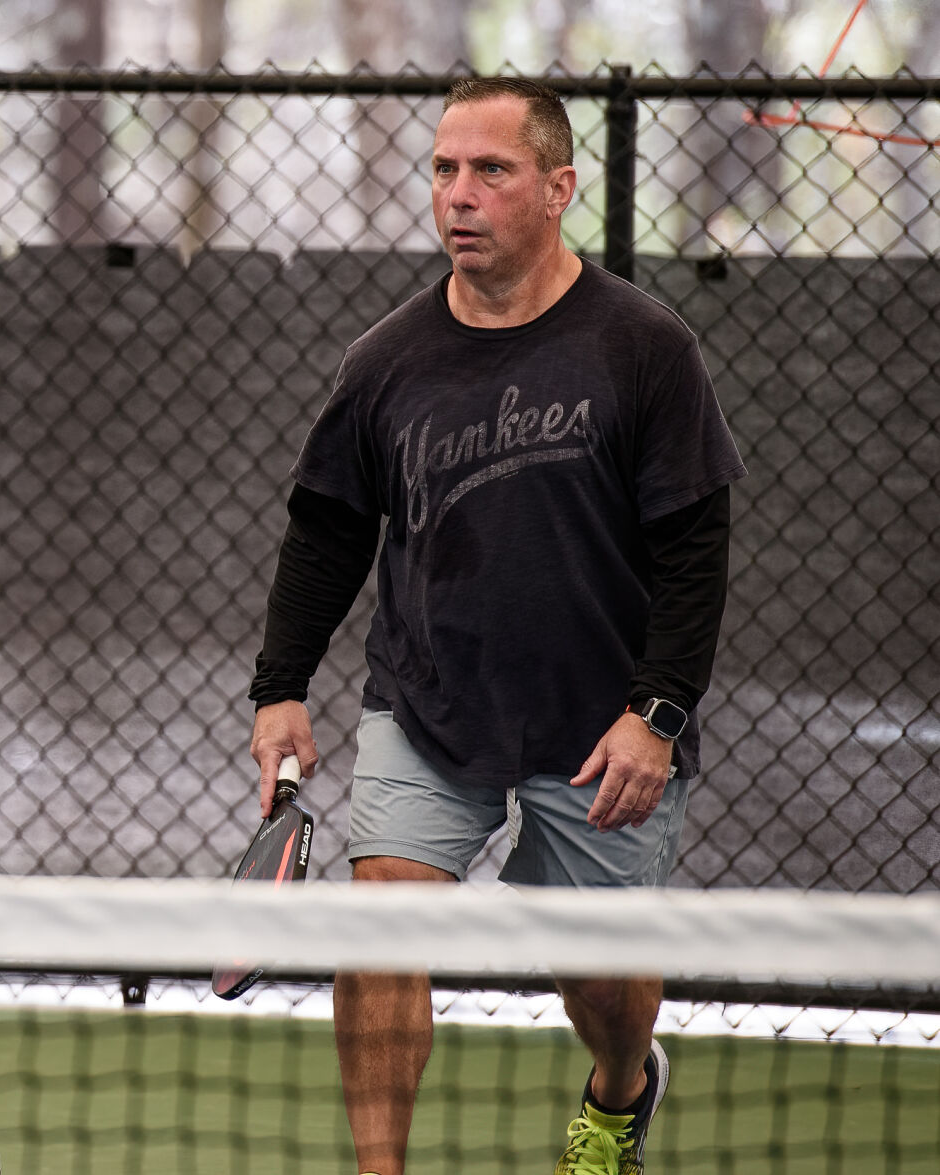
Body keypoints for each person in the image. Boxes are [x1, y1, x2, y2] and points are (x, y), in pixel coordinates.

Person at [247, 77, 744, 1175]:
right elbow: (327, 528)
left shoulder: (644, 346)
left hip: (599, 725)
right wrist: (279, 683)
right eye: (441, 169)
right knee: (381, 931)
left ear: (559, 187)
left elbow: (693, 547)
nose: (457, 195)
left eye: (490, 171)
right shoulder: (384, 360)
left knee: (600, 981)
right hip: (428, 705)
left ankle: (620, 1083)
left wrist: (654, 714)